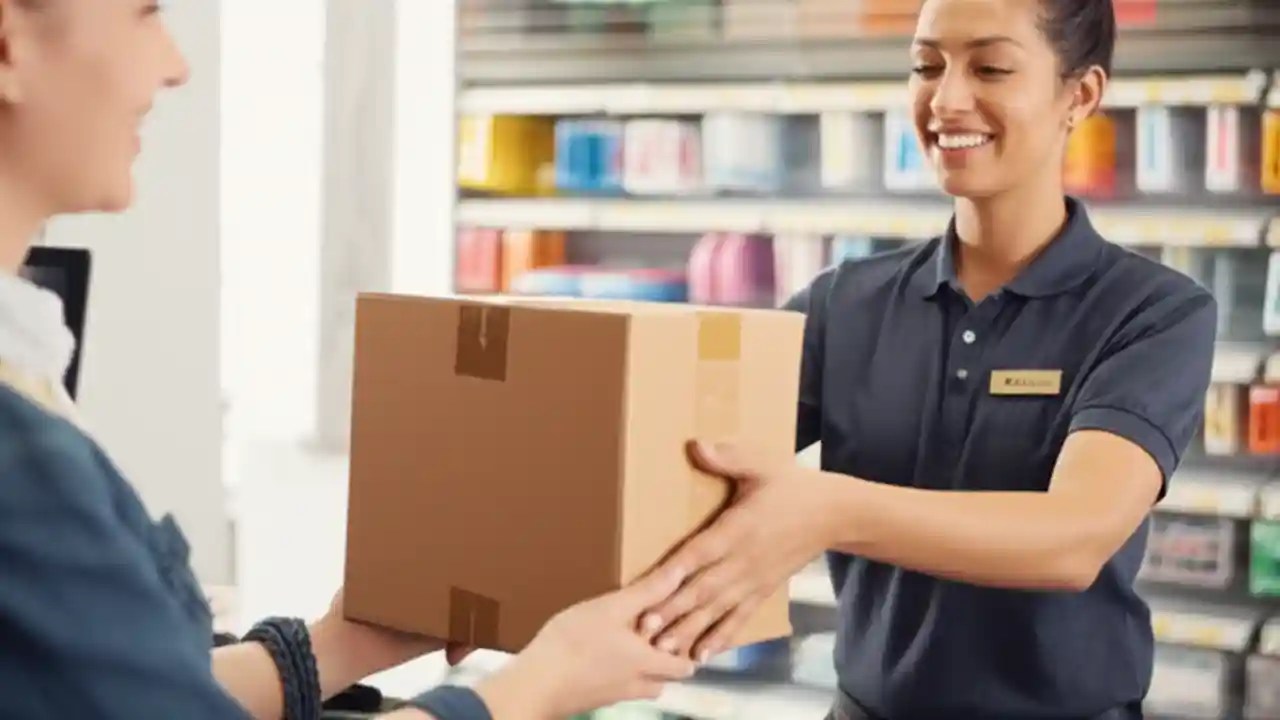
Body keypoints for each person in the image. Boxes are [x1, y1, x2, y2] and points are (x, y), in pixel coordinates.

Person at [0, 1, 696, 718]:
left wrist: (348, 643)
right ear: (10, 44)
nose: (175, 65)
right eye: (144, 14)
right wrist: (546, 684)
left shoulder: (26, 379)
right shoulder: (18, 460)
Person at [640, 1, 1217, 719]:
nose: (945, 100)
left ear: (1083, 94)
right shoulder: (841, 305)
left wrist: (830, 510)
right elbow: (667, 469)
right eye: (925, 65)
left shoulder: (1152, 312)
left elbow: (1073, 538)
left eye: (991, 67)